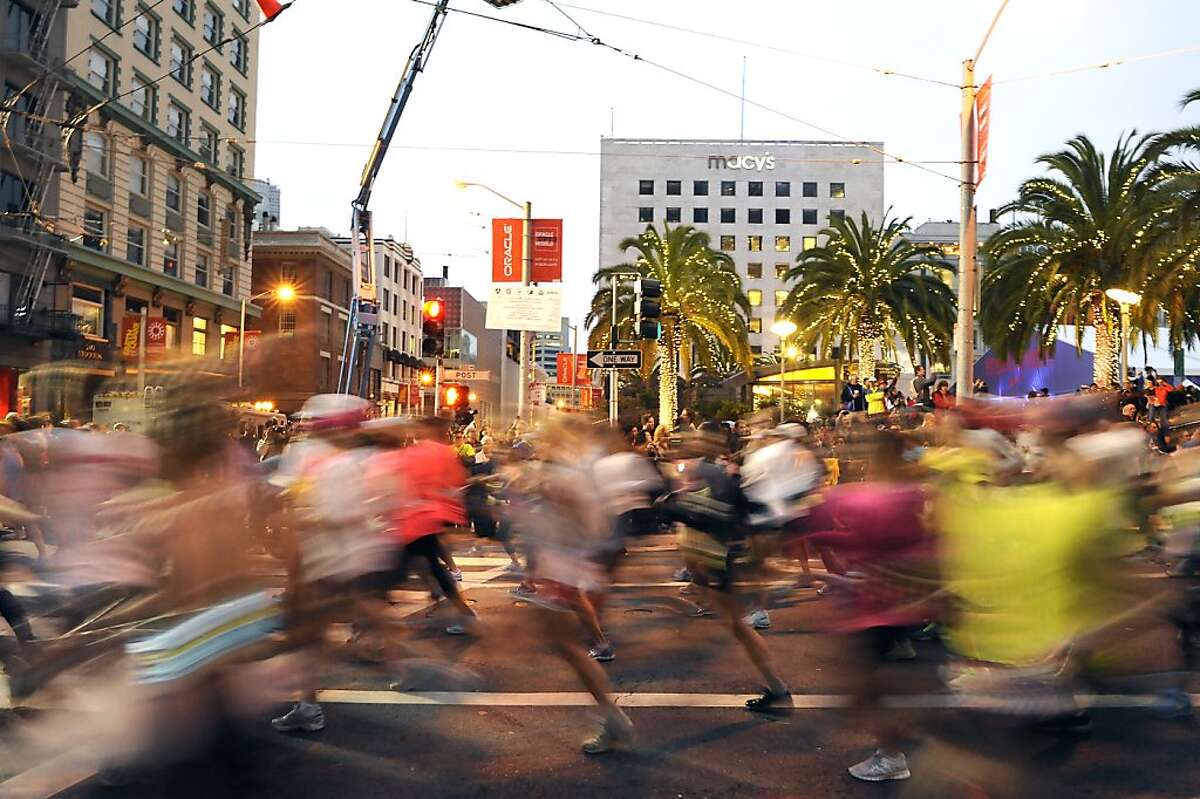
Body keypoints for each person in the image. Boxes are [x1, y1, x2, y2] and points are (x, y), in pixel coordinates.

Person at [663, 421, 790, 711]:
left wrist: (673, 506)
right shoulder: (713, 472)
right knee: (733, 624)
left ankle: (776, 686)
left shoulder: (720, 475)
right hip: (710, 560)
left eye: (705, 438)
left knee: (737, 625)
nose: (700, 442)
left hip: (717, 559)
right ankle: (775, 684)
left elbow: (718, 515)